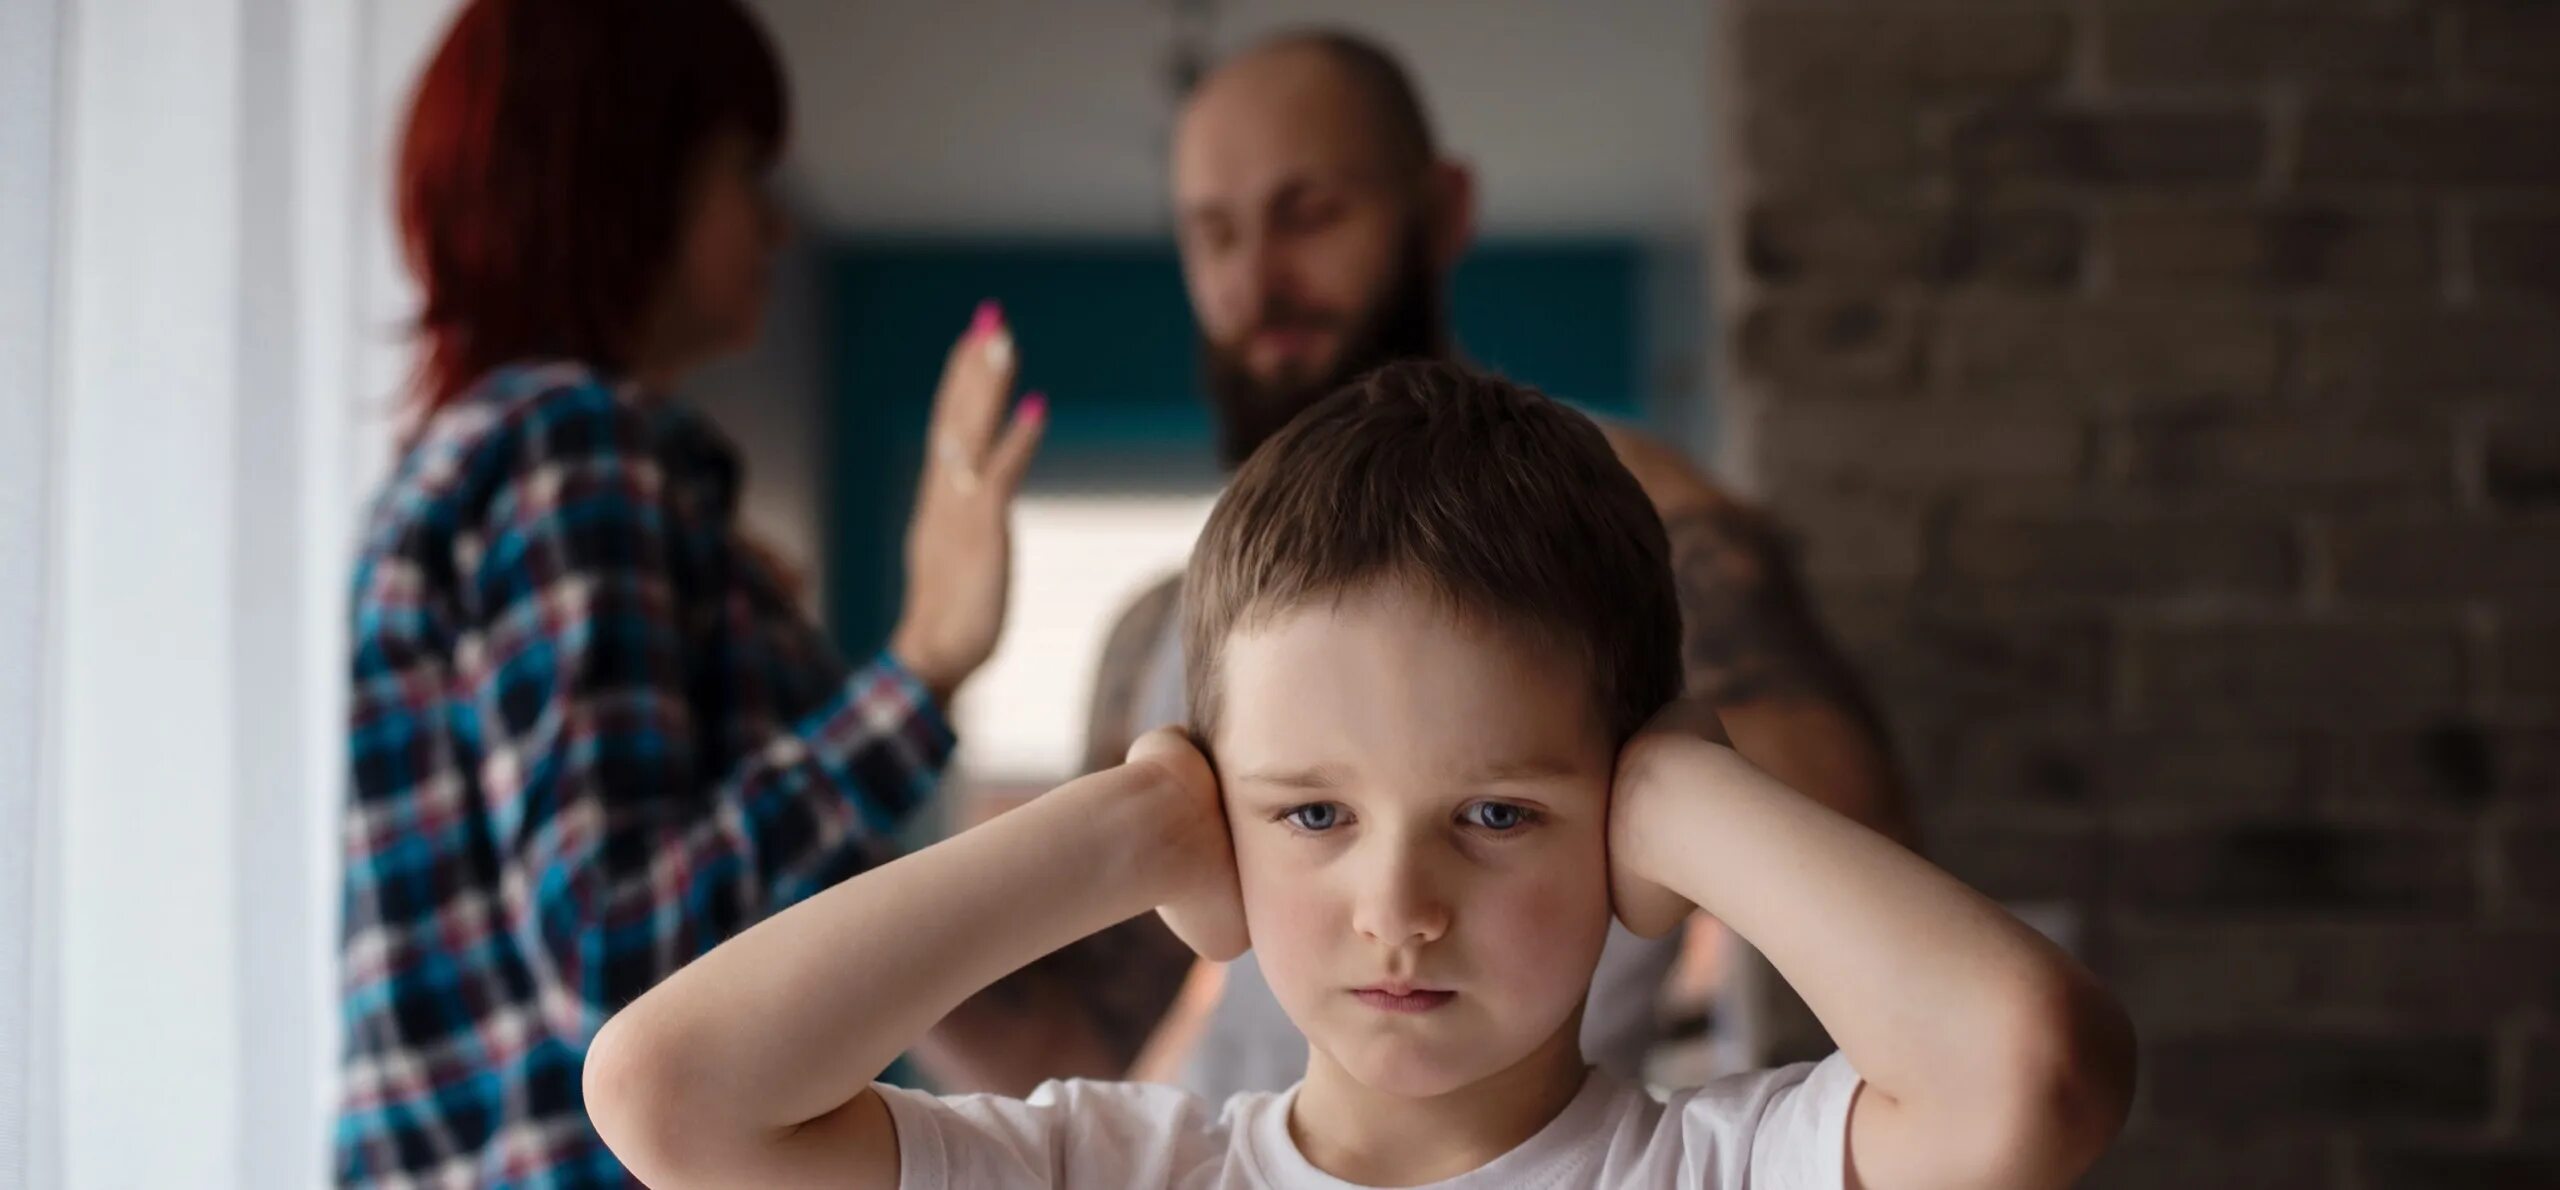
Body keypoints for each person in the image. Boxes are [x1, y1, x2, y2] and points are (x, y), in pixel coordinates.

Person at [582, 362, 2135, 1190]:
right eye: (1311, 812)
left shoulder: (1722, 1163)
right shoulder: (1114, 1167)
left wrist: (1682, 798)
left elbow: (2037, 1073)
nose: (1400, 906)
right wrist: (1129, 828)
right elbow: (670, 1096)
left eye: (1498, 813)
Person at [1043, 29, 1913, 1098]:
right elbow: (1076, 1046)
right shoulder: (1163, 628)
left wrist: (1626, 572)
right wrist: (913, 687)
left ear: (1441, 210)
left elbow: (1856, 837)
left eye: (1308, 215)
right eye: (1213, 236)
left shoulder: (1621, 531)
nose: (1256, 281)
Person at [337, 1, 1059, 1181]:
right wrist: (920, 663)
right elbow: (617, 946)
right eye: (741, 169)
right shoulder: (569, 450)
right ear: (625, 180)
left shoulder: (500, 457)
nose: (776, 220)